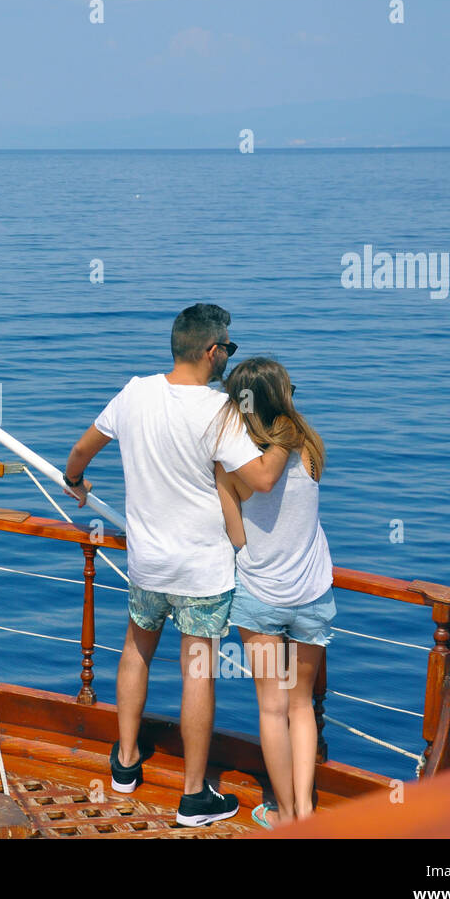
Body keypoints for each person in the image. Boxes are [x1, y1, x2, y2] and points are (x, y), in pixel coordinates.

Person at [62, 303, 291, 826]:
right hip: (202, 572)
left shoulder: (134, 392)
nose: (228, 358)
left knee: (135, 652)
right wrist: (288, 434)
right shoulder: (219, 412)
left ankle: (123, 765)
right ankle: (193, 796)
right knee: (197, 672)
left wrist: (76, 483)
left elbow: (80, 451)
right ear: (212, 351)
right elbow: (260, 480)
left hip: (148, 563)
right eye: (228, 349)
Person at [213, 357, 334, 829]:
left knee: (272, 707)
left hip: (260, 597)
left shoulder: (230, 464)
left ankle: (283, 814)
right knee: (302, 705)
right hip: (312, 594)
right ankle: (305, 808)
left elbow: (237, 536)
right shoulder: (310, 448)